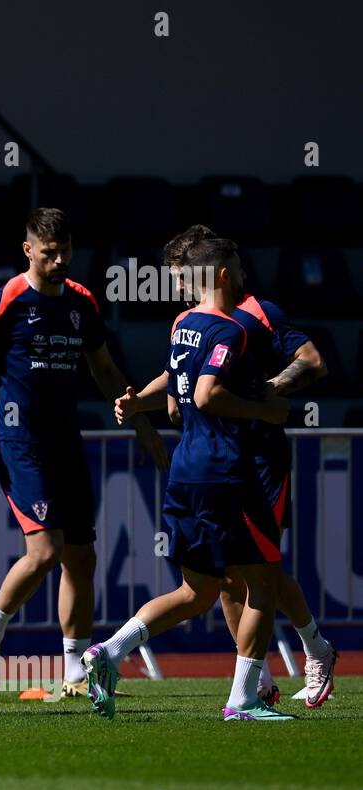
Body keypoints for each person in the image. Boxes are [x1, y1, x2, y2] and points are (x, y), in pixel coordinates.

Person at [0, 209, 167, 697]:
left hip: (67, 440)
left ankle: (73, 673)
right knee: (44, 550)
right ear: (28, 251)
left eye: (66, 251)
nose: (60, 260)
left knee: (81, 558)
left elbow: (106, 372)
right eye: (50, 253)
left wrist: (143, 428)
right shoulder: (4, 299)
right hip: (20, 441)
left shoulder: (82, 301)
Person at [115, 224, 336, 707]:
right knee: (231, 580)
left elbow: (312, 360)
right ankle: (253, 685)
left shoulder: (260, 313)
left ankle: (315, 650)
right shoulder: (192, 319)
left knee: (261, 572)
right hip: (218, 463)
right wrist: (143, 404)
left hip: (259, 460)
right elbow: (179, 380)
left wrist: (269, 390)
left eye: (180, 275)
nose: (177, 285)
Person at [85, 238, 292, 720]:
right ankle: (243, 701)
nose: (243, 273)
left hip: (185, 471)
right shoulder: (232, 329)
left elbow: (175, 395)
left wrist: (138, 403)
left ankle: (109, 652)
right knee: (263, 581)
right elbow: (204, 394)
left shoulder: (183, 324)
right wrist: (266, 410)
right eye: (237, 265)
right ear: (222, 274)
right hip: (226, 471)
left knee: (196, 591)